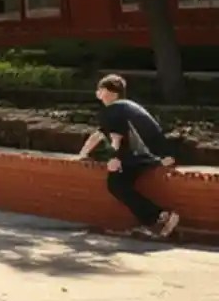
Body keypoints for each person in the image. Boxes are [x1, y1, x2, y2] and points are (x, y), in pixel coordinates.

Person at [74, 74, 180, 238]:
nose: (97, 93)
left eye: (100, 90)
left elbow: (116, 138)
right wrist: (82, 154)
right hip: (157, 154)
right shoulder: (124, 108)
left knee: (116, 183)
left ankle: (161, 216)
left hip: (147, 155)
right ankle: (157, 218)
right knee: (121, 182)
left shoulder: (113, 109)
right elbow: (99, 134)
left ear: (109, 92)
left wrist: (114, 158)